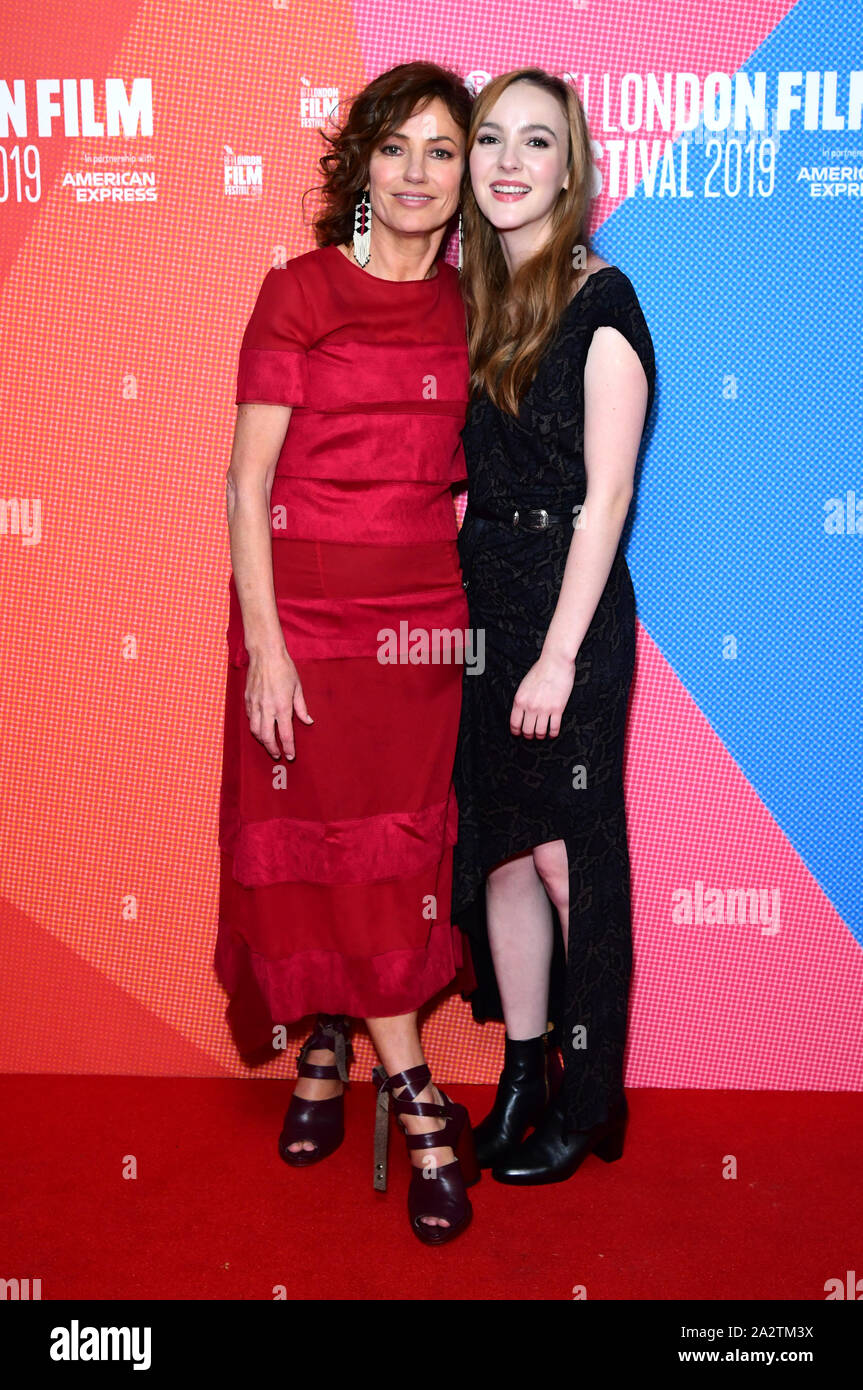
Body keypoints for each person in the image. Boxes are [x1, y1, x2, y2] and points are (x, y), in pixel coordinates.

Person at [214, 62, 481, 1242]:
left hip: (420, 633)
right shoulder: (298, 293)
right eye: (395, 148)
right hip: (304, 631)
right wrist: (267, 648)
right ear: (359, 165)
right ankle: (414, 1090)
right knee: (320, 842)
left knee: (390, 855)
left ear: (469, 173)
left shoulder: (473, 311)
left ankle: (329, 1041)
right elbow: (244, 483)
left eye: (441, 151)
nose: (417, 174)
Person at [451, 68, 656, 1184]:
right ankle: (520, 1071)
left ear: (571, 167)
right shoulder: (475, 300)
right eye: (491, 140)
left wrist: (558, 655)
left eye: (537, 142)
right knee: (500, 862)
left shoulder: (602, 300)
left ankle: (591, 1093)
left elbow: (608, 498)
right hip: (480, 610)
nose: (508, 163)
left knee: (572, 863)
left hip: (562, 615)